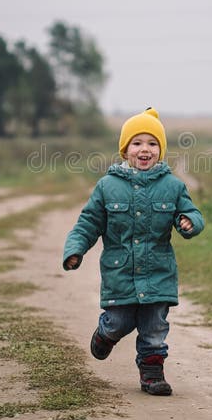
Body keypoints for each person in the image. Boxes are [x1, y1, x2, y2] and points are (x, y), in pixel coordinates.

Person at [63, 107, 204, 396]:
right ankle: (106, 334)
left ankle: (152, 374)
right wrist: (75, 248)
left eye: (152, 144)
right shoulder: (107, 187)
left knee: (154, 327)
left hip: (158, 273)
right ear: (125, 149)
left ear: (160, 151)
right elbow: (89, 223)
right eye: (137, 143)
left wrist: (189, 222)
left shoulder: (173, 186)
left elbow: (190, 212)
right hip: (120, 273)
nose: (145, 150)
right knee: (120, 321)